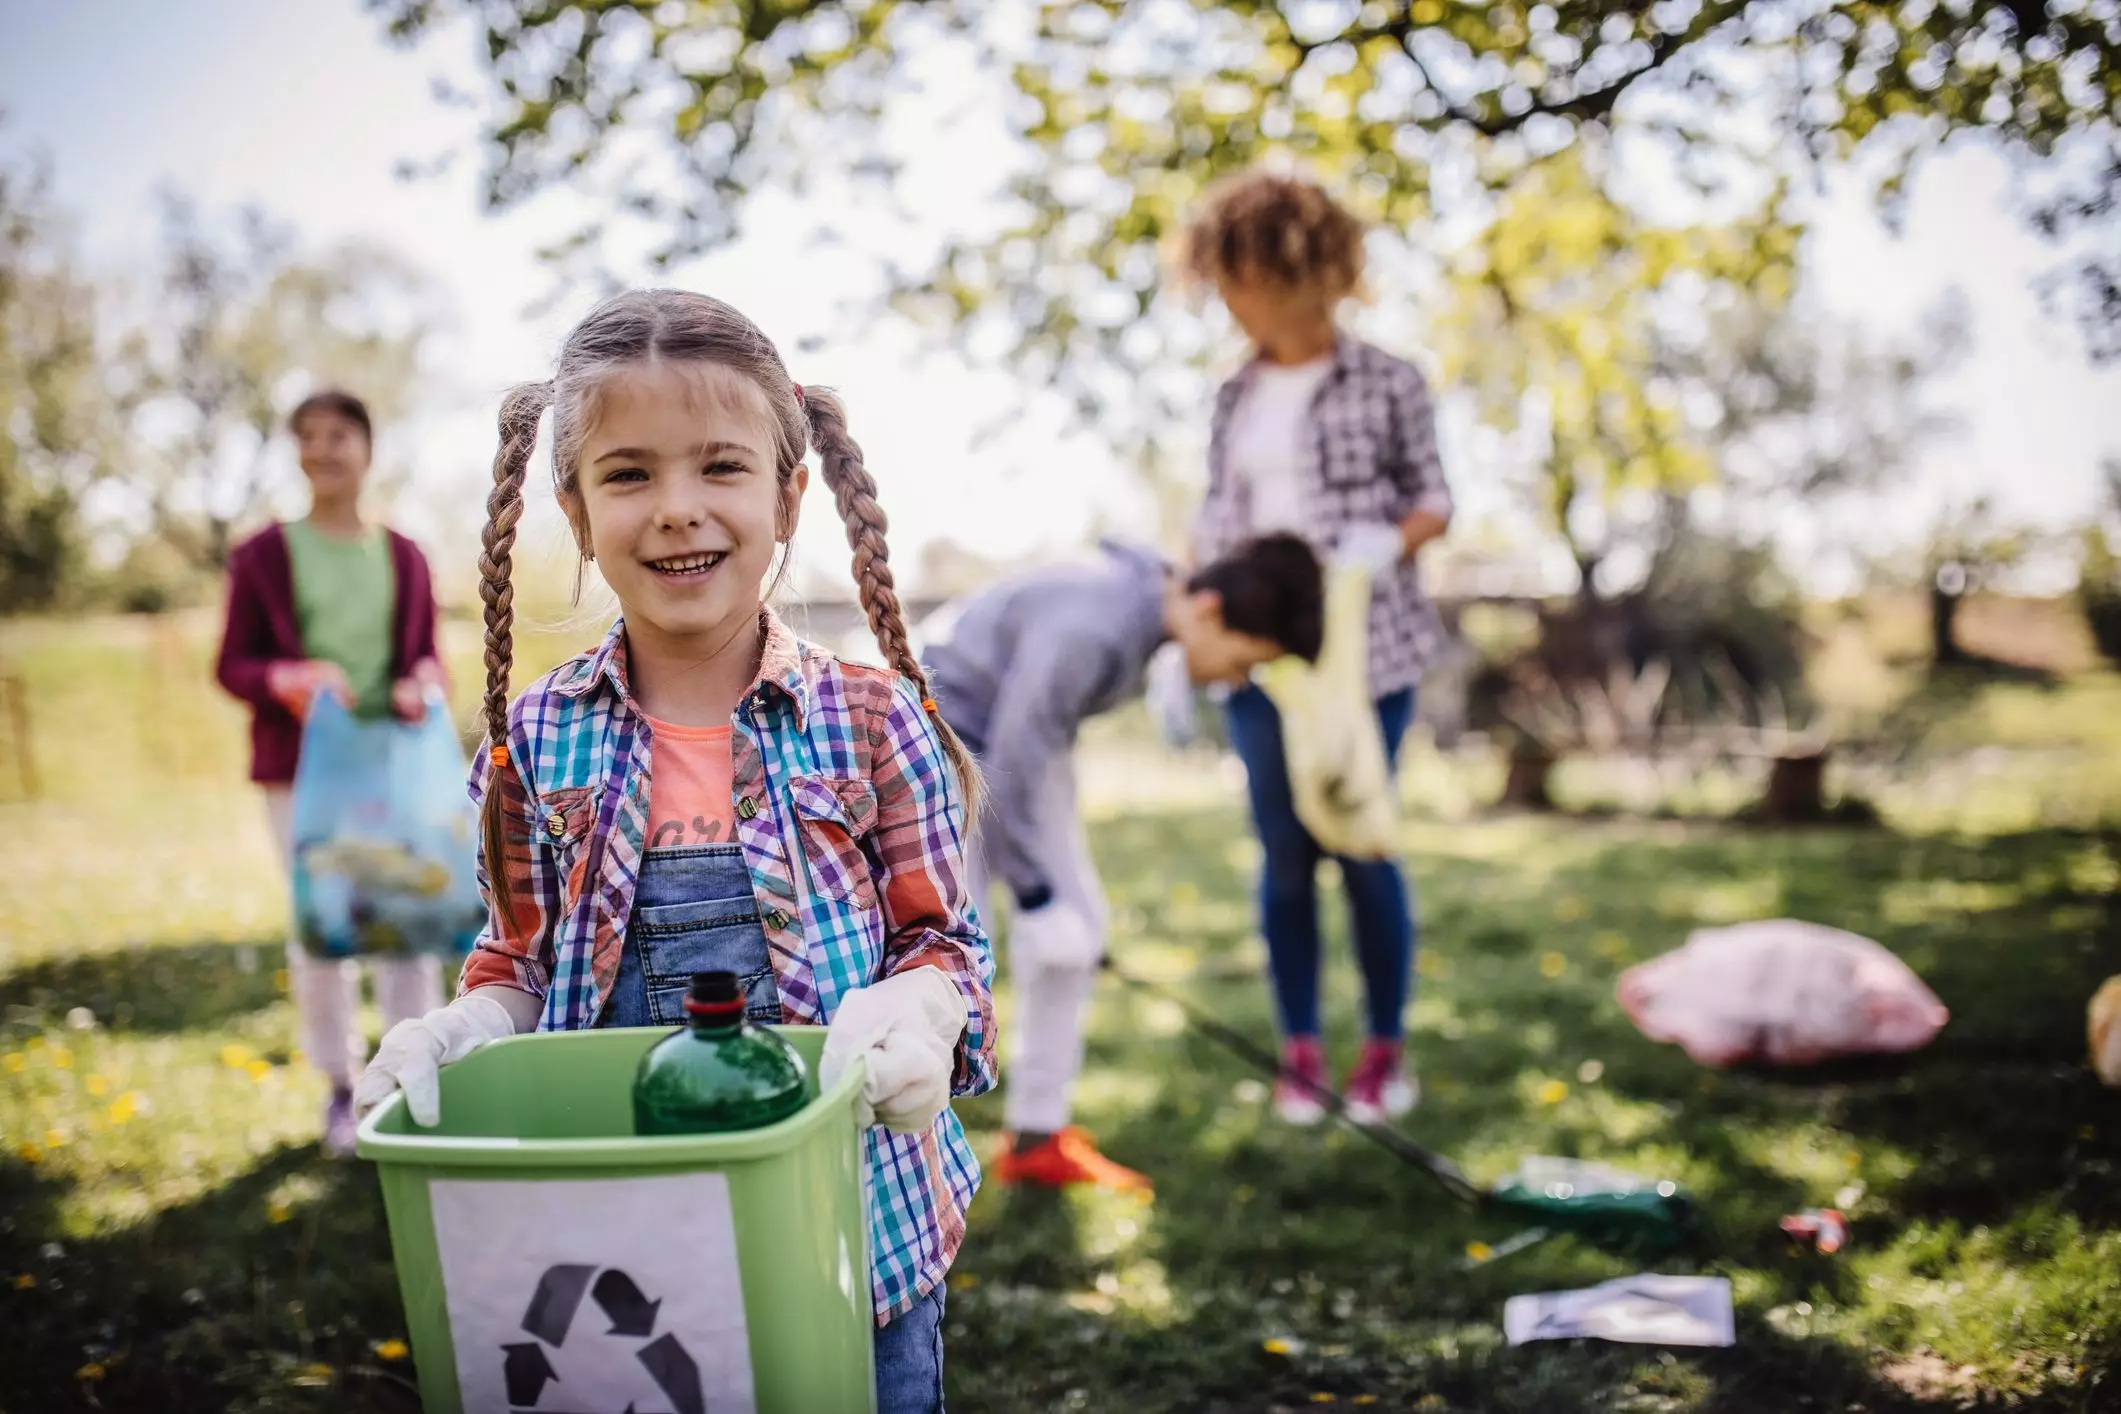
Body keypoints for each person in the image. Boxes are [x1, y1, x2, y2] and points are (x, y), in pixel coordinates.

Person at [350, 290, 994, 1414]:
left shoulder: (874, 721)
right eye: (630, 473)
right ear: (576, 508)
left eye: (722, 468)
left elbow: (947, 946)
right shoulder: (534, 739)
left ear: (790, 496)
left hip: (856, 1242)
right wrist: (465, 1028)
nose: (677, 511)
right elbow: (519, 961)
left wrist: (926, 1015)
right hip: (608, 1254)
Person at [1175, 168, 1455, 1126]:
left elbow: (1433, 498)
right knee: (1283, 855)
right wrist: (1193, 611)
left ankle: (1384, 1052)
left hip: (1365, 656)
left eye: (1245, 278)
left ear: (1303, 271)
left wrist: (1387, 543)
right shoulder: (1232, 396)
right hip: (1263, 660)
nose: (1232, 300)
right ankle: (1301, 1052)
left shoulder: (1389, 381)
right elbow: (1213, 516)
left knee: (1363, 846)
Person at [925, 534, 1325, 1191]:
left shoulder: (1154, 605)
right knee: (952, 959)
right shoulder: (1096, 626)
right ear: (1209, 611)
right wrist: (1031, 894)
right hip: (942, 745)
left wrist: (1051, 901)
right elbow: (1009, 759)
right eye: (1242, 662)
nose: (1232, 681)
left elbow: (1032, 746)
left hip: (1013, 748)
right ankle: (908, 1157)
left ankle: (1036, 1138)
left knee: (1078, 931)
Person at [214, 389, 448, 1159]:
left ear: (367, 448)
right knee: (325, 929)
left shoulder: (405, 555)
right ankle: (342, 1088)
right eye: (307, 436)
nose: (322, 449)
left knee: (406, 926)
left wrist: (420, 680)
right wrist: (286, 675)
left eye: (338, 434)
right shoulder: (263, 556)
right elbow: (233, 665)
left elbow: (424, 657)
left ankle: (416, 1075)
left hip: (393, 764)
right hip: (304, 770)